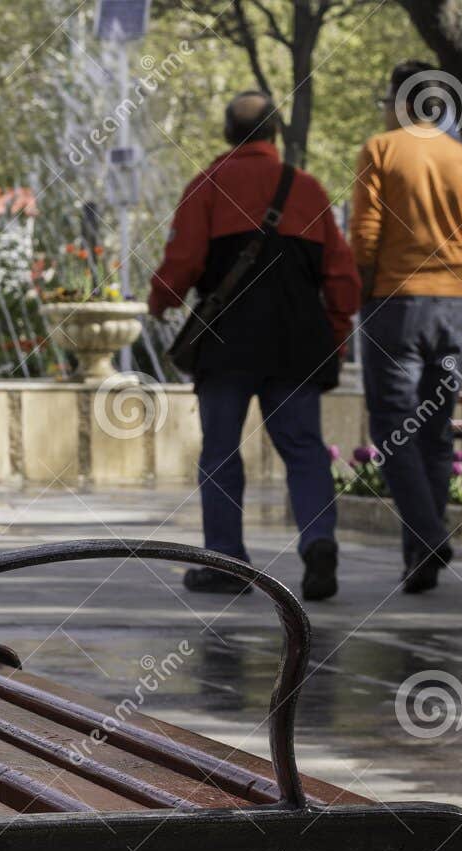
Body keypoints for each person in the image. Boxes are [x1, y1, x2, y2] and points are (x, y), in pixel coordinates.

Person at [149, 91, 359, 602]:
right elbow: (342, 276)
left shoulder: (207, 186)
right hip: (296, 341)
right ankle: (318, 540)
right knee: (304, 449)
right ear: (274, 132)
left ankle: (227, 562)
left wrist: (160, 301)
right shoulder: (307, 189)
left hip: (228, 342)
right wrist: (335, 333)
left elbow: (182, 263)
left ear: (227, 132)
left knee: (221, 451)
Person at [351, 60, 462, 593]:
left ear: (401, 102)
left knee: (394, 429)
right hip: (456, 313)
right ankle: (420, 561)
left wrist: (360, 300)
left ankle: (430, 535)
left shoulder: (381, 151)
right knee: (436, 434)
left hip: (395, 307)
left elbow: (365, 238)